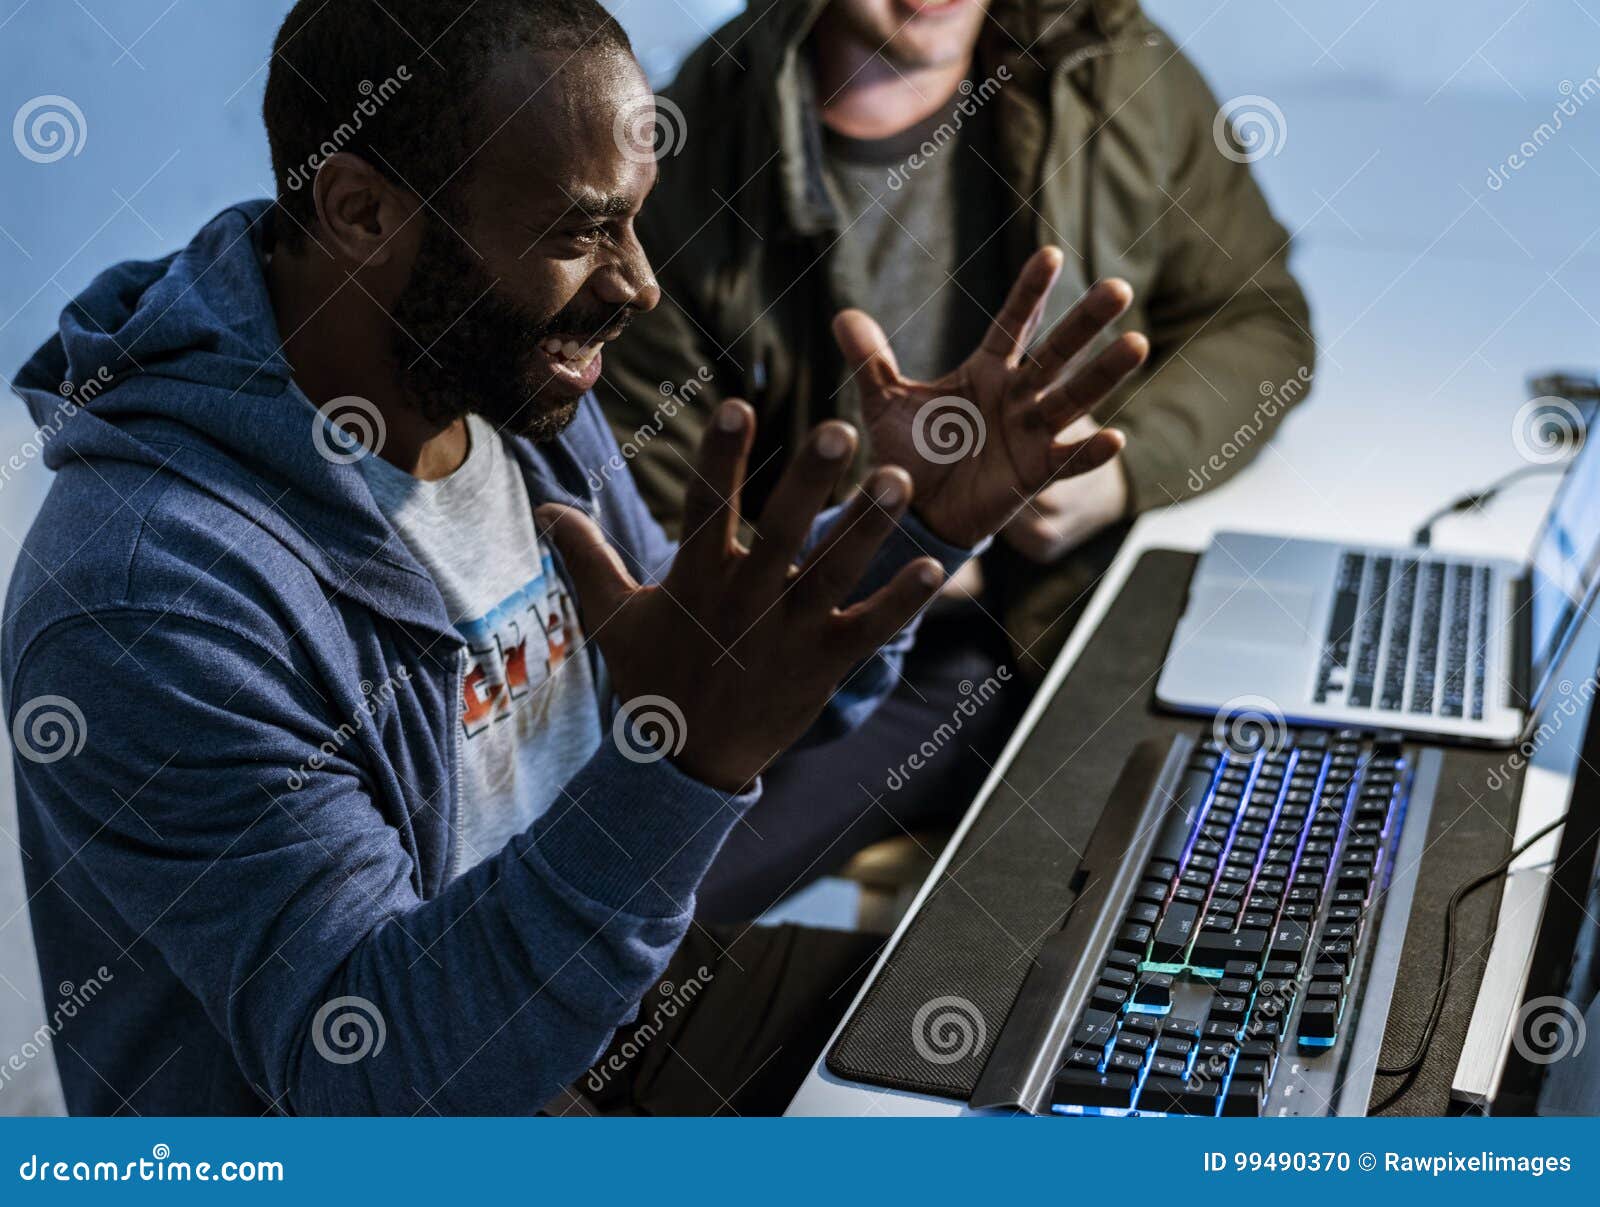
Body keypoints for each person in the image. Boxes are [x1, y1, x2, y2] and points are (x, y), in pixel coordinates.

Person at [3, 0, 1147, 1115]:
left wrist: (913, 527)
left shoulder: (496, 383)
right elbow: (369, 1072)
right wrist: (682, 767)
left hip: (596, 1007)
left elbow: (721, 677)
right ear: (358, 211)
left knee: (1063, 1033)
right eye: (579, 230)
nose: (638, 285)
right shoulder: (146, 595)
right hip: (433, 1104)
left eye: (636, 220)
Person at [598, 0, 1316, 920]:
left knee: (1263, 900)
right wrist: (887, 554)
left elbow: (1254, 318)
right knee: (641, 902)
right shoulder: (689, 146)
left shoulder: (1107, 62)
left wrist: (1122, 468)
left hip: (1074, 609)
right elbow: (664, 536)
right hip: (842, 662)